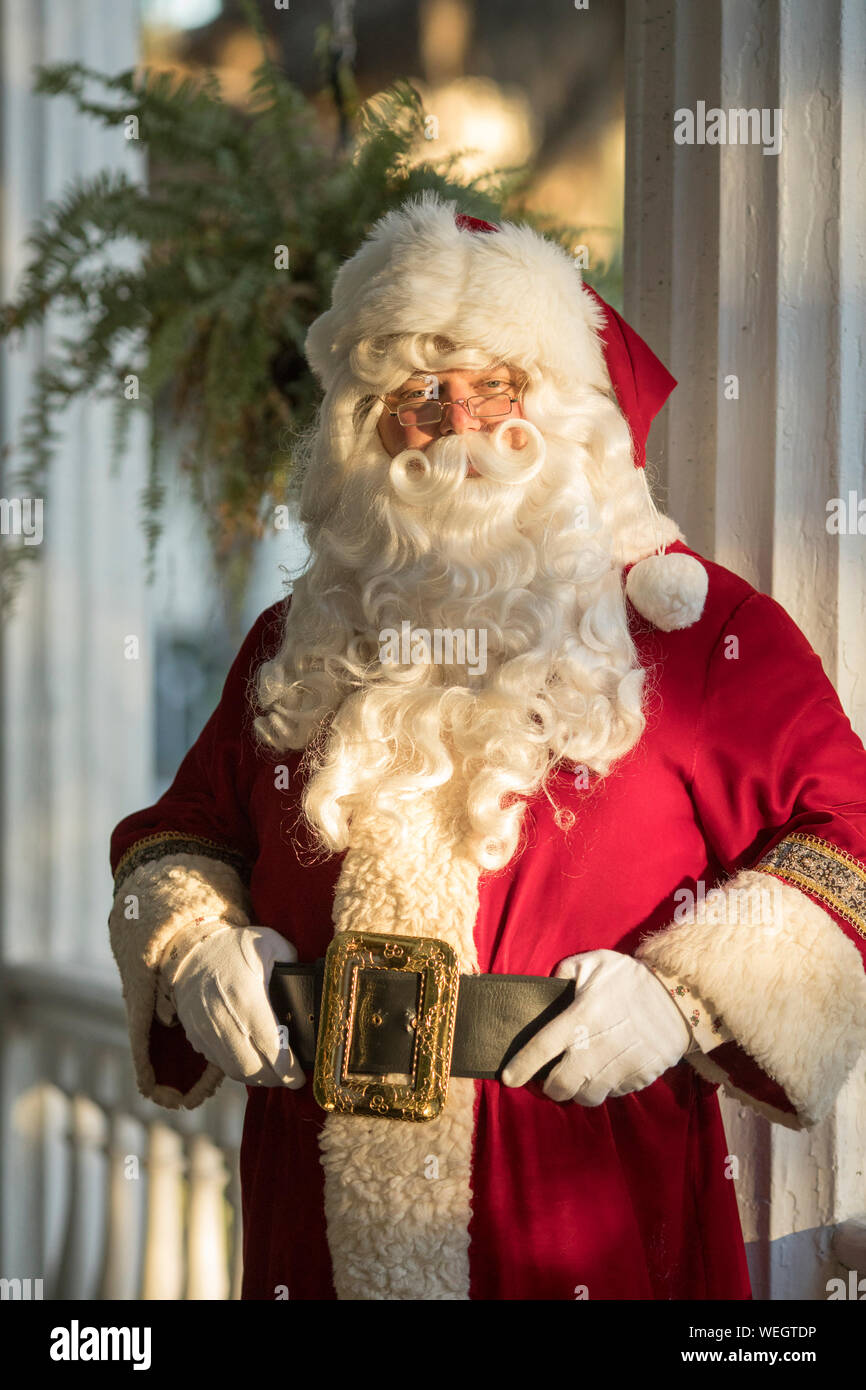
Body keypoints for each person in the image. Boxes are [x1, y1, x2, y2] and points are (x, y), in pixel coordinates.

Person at [108, 192, 866, 1301]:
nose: (455, 424)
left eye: (494, 390)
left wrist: (683, 1001)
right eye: (415, 397)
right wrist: (193, 950)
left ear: (569, 418)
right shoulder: (294, 643)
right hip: (307, 1222)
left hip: (589, 1217)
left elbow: (844, 845)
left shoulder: (703, 638)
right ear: (361, 432)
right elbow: (176, 841)